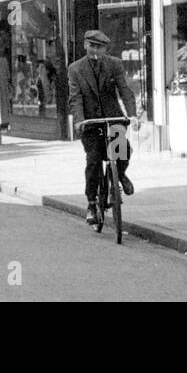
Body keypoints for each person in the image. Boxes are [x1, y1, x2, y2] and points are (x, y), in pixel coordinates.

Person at [68, 30, 136, 226]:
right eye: (92, 46)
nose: (95, 50)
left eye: (100, 47)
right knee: (94, 161)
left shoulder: (114, 64)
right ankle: (91, 203)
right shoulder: (75, 69)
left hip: (112, 117)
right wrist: (79, 120)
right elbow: (76, 98)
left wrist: (131, 114)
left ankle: (120, 175)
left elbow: (124, 90)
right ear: (85, 45)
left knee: (123, 150)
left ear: (105, 48)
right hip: (90, 123)